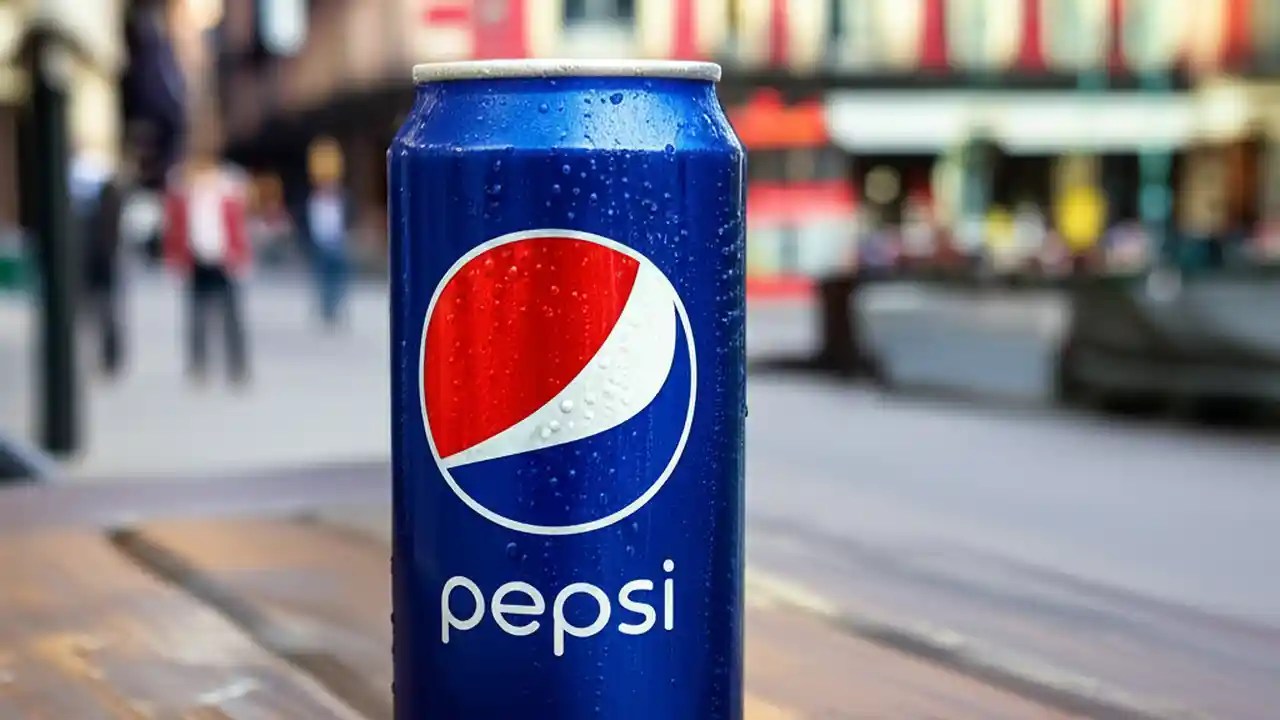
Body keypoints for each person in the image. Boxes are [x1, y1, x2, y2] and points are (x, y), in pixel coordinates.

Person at [163, 151, 251, 384]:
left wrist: (240, 257)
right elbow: (174, 229)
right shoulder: (184, 195)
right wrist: (175, 259)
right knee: (196, 316)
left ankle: (237, 366)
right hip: (196, 259)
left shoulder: (228, 192)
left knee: (231, 316)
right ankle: (198, 365)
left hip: (223, 259)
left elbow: (237, 227)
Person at [84, 146, 140, 377]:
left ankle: (110, 358)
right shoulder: (106, 195)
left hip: (104, 263)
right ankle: (107, 357)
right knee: (103, 313)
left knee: (105, 313)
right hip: (101, 263)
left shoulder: (109, 197)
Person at [305, 137, 351, 328]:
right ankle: (327, 307)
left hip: (337, 241)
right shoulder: (314, 200)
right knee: (324, 277)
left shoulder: (340, 198)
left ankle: (336, 306)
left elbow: (346, 217)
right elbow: (311, 221)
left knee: (338, 276)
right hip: (322, 242)